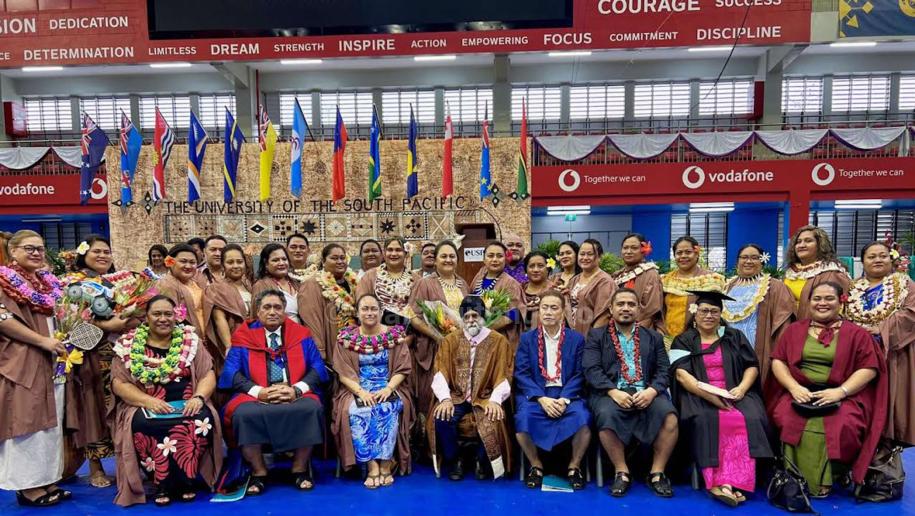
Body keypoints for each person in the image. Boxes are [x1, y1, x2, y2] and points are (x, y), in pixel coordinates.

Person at [766, 282, 887, 497]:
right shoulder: (795, 330)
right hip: (800, 392)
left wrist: (841, 391)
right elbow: (778, 361)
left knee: (842, 422)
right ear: (809, 302)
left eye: (829, 298)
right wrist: (794, 387)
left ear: (841, 301)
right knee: (787, 415)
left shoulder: (857, 334)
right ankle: (794, 476)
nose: (822, 303)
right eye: (817, 299)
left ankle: (830, 477)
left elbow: (869, 368)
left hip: (842, 394)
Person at [110, 295, 222, 506]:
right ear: (146, 317)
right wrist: (147, 401)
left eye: (168, 314)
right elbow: (119, 384)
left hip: (188, 400)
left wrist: (198, 398)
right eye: (157, 314)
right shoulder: (128, 344)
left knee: (200, 419)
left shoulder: (191, 341)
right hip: (144, 404)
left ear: (176, 316)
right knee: (143, 423)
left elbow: (207, 374)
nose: (163, 319)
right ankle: (160, 482)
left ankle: (187, 480)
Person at [670, 290, 774, 507]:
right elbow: (681, 374)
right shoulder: (683, 339)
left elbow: (751, 366)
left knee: (750, 417)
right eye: (704, 311)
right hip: (698, 394)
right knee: (709, 418)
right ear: (695, 314)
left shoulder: (734, 336)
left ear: (720, 314)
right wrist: (711, 397)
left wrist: (742, 389)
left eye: (714, 311)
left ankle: (738, 481)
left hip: (735, 391)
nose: (709, 315)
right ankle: (720, 482)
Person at [219, 289, 329, 494]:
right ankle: (259, 471)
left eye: (278, 307)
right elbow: (231, 372)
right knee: (243, 414)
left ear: (285, 311)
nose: (272, 312)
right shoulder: (243, 336)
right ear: (257, 312)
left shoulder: (301, 334)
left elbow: (318, 368)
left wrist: (297, 390)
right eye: (266, 307)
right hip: (256, 395)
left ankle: (299, 468)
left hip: (294, 393)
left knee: (311, 408)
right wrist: (258, 391)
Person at [583, 288, 678, 498]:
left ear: (638, 309)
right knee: (606, 415)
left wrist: (652, 391)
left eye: (631, 304)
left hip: (647, 392)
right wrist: (613, 391)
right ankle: (622, 471)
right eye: (621, 304)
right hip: (610, 392)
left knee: (669, 417)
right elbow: (591, 369)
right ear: (611, 308)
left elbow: (664, 369)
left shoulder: (653, 337)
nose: (626, 308)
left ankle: (657, 473)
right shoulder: (597, 335)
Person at [0, 230, 68, 507]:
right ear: (12, 252)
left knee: (50, 423)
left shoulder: (46, 283)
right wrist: (42, 341)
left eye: (40, 248)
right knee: (27, 422)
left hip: (52, 361)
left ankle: (46, 479)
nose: (37, 253)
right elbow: (2, 319)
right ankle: (27, 487)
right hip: (23, 362)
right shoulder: (3, 281)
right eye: (29, 248)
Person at [67, 235, 134, 488]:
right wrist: (108, 324)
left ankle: (126, 463)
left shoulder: (118, 283)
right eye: (97, 251)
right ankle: (95, 468)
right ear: (83, 254)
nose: (103, 256)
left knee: (122, 406)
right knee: (93, 407)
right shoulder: (72, 284)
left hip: (121, 354)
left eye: (107, 251)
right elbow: (71, 322)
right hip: (90, 355)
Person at [429, 296, 514, 481]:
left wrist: (495, 400)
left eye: (475, 315)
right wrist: (444, 399)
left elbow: (504, 374)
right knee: (441, 417)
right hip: (456, 396)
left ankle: (481, 462)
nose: (471, 320)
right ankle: (456, 459)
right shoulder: (450, 341)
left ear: (483, 316)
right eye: (466, 317)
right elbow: (440, 372)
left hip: (485, 397)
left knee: (493, 417)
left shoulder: (498, 341)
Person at [333, 295, 413, 488]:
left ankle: (386, 464)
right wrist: (361, 392)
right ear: (358, 313)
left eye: (373, 309)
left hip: (389, 386)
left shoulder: (395, 336)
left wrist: (389, 388)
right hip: (357, 388)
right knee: (358, 411)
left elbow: (402, 368)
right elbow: (343, 374)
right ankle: (371, 466)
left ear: (380, 311)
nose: (369, 313)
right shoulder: (346, 338)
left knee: (388, 407)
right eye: (365, 309)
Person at [515, 291, 591, 490]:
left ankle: (574, 466)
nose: (548, 312)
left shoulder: (577, 339)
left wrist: (564, 399)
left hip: (567, 394)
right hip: (538, 394)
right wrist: (541, 398)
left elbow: (579, 374)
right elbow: (521, 373)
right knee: (522, 419)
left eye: (554, 308)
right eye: (544, 308)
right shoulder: (527, 339)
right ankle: (536, 465)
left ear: (563, 312)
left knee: (583, 418)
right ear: (539, 312)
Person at [845, 241, 915, 446]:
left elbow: (911, 313)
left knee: (892, 397)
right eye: (871, 256)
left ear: (890, 259)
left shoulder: (905, 284)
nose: (877, 260)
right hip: (858, 351)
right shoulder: (853, 288)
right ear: (863, 262)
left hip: (894, 351)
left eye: (882, 256)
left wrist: (881, 329)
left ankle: (889, 442)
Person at [408, 240, 469, 414]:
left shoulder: (463, 284)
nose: (448, 260)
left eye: (452, 256)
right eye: (443, 256)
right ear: (435, 261)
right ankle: (430, 434)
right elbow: (413, 316)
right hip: (435, 346)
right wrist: (438, 337)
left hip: (461, 347)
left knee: (457, 391)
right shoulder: (425, 283)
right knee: (434, 392)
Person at [723, 244, 796, 385]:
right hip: (728, 346)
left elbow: (784, 321)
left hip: (758, 346)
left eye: (754, 258)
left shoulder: (774, 286)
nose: (748, 261)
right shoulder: (727, 285)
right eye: (744, 257)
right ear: (737, 261)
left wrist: (778, 349)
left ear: (762, 261)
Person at [299, 243, 359, 363]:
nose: (340, 261)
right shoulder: (312, 284)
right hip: (331, 342)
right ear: (323, 261)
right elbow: (311, 320)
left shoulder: (354, 283)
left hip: (355, 342)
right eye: (334, 258)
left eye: (343, 258)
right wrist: (319, 349)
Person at [661, 236, 726, 348]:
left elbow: (717, 312)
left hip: (701, 340)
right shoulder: (665, 280)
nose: (683, 256)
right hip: (668, 339)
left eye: (688, 252)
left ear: (697, 254)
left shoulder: (710, 279)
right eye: (679, 253)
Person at [595, 233, 663, 331]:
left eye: (634, 248)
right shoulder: (617, 274)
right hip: (613, 330)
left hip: (639, 331)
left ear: (643, 250)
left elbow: (650, 311)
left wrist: (633, 333)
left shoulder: (650, 274)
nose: (628, 251)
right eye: (625, 248)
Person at [783, 225, 851, 321]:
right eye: (798, 242)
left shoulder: (832, 272)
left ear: (820, 245)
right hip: (789, 328)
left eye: (808, 241)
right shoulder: (791, 272)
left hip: (816, 329)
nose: (802, 245)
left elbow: (838, 310)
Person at [203, 243, 252, 375]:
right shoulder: (216, 288)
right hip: (235, 340)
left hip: (254, 340)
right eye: (230, 262)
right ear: (223, 265)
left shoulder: (249, 285)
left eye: (239, 262)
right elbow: (219, 319)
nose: (236, 266)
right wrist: (230, 346)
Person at [470, 241, 526, 350]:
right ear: (484, 259)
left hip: (500, 340)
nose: (495, 259)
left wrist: (483, 329)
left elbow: (514, 314)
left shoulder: (511, 284)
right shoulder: (478, 279)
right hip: (475, 340)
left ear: (505, 259)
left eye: (499, 256)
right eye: (490, 256)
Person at [155, 244, 206, 341]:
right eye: (183, 261)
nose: (188, 266)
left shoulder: (196, 282)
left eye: (192, 262)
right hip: (184, 341)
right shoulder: (166, 284)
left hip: (202, 338)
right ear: (171, 262)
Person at [356, 237, 416, 317]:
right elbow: (362, 306)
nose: (393, 254)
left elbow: (419, 310)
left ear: (406, 253)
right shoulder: (369, 276)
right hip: (376, 325)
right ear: (384, 253)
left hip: (410, 326)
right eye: (390, 250)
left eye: (398, 250)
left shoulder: (416, 279)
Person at [565, 239, 614, 336]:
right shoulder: (574, 280)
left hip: (591, 337)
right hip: (571, 336)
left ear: (599, 257)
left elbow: (603, 316)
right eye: (582, 254)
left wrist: (593, 340)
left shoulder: (605, 282)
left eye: (590, 254)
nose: (585, 257)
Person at [253, 243, 301, 324]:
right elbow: (257, 318)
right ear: (266, 264)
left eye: (284, 259)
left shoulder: (296, 284)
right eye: (275, 260)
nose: (281, 263)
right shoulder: (261, 286)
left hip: (301, 334)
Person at [522, 251, 552, 330]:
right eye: (531, 266)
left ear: (548, 268)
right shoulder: (519, 291)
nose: (536, 270)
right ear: (526, 269)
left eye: (540, 266)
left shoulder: (556, 291)